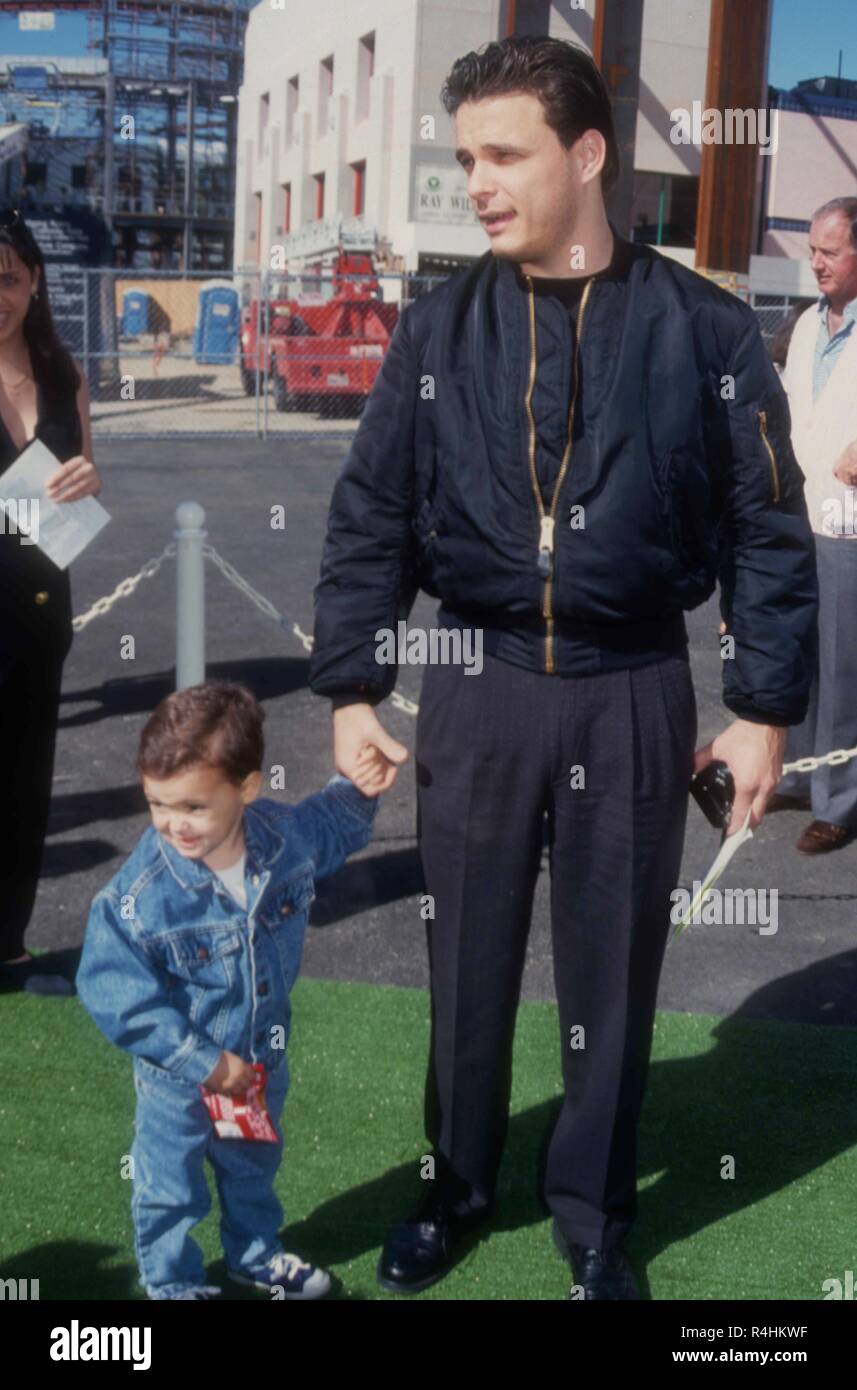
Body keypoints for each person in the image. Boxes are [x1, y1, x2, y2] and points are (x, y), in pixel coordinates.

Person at [308, 36, 818, 1300]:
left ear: (585, 154)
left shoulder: (704, 326)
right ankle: (456, 1183)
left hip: (632, 690)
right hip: (477, 687)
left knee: (612, 965)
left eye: (501, 154)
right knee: (463, 957)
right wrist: (352, 684)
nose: (474, 181)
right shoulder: (435, 324)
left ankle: (590, 1209)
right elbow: (371, 508)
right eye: (464, 155)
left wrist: (759, 710)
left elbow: (766, 519)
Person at [76, 680, 381, 1300]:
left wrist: (362, 783)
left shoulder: (281, 841)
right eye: (158, 804)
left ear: (247, 788)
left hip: (260, 1059)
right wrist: (205, 1062)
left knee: (252, 1167)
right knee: (169, 1186)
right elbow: (113, 991)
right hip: (180, 1076)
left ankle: (255, 1255)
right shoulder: (139, 897)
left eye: (193, 807)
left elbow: (329, 826)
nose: (172, 824)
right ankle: (172, 1284)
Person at [0, 207, 103, 997]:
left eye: (7, 278)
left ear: (33, 281)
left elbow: (85, 473)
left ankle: (9, 943)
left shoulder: (66, 377)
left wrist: (87, 481)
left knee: (28, 779)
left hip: (42, 603)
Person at [770, 198, 857, 853]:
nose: (816, 261)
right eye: (813, 248)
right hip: (793, 519)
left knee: (842, 668)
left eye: (830, 250)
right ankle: (796, 777)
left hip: (847, 524)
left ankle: (839, 800)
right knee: (792, 653)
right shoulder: (804, 326)